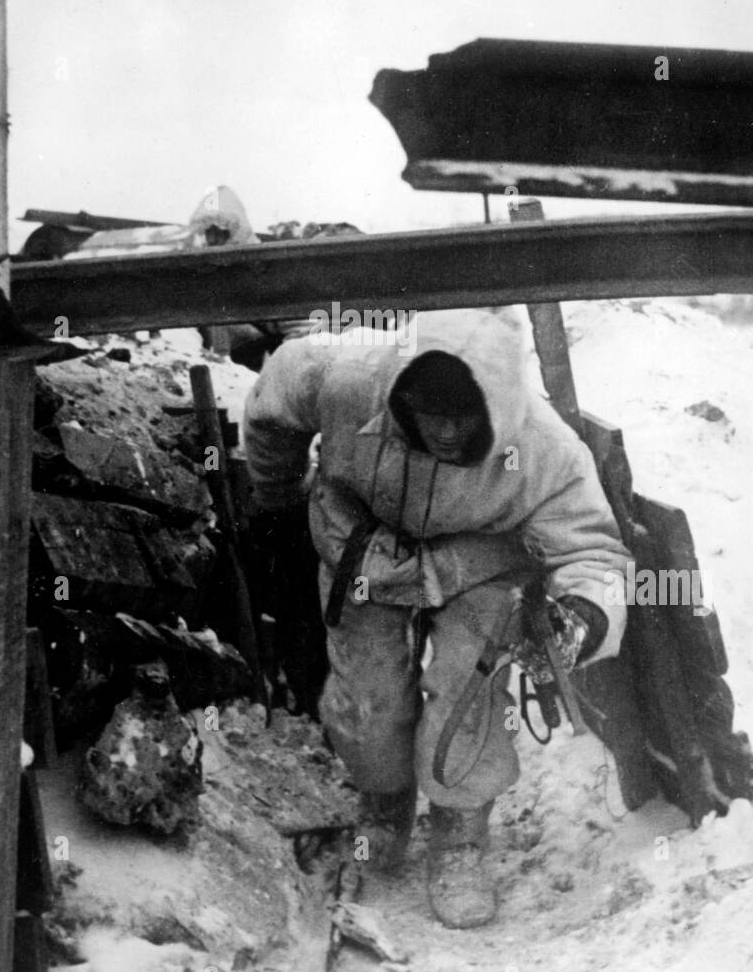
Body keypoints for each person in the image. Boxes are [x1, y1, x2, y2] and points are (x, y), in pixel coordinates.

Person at [243, 309, 629, 928]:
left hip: (481, 560)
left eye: (463, 416)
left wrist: (581, 615)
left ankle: (460, 833)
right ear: (399, 395)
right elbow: (272, 407)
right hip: (363, 545)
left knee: (463, 695)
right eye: (429, 412)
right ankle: (384, 801)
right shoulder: (340, 378)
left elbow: (592, 549)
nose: (446, 431)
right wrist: (277, 494)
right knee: (365, 695)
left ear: (497, 407)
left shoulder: (544, 449)